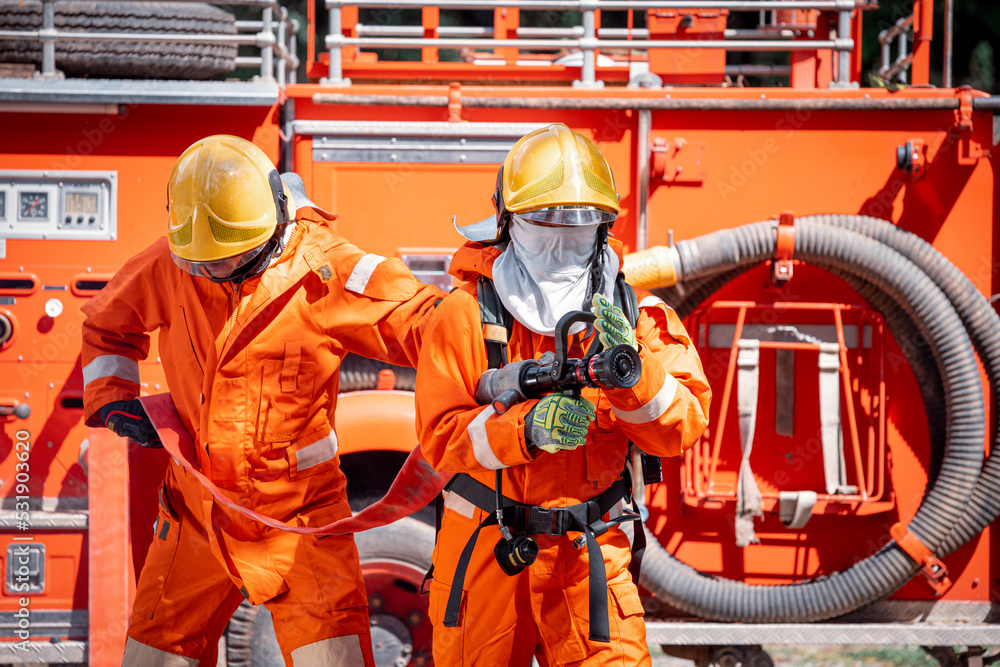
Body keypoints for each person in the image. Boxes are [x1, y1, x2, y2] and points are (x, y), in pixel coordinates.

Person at [81, 135, 444, 666]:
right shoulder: (174, 262)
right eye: (203, 266)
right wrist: (114, 398)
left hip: (299, 521)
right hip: (197, 515)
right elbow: (107, 325)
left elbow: (424, 321)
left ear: (275, 223)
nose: (213, 274)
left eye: (232, 262)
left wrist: (493, 338)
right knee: (154, 657)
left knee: (334, 658)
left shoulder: (326, 270)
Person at [415, 123, 712, 666]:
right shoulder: (462, 317)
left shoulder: (636, 318)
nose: (561, 233)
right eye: (543, 218)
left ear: (603, 225)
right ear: (506, 220)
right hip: (485, 556)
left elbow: (682, 427)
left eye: (579, 220)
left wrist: (633, 377)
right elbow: (439, 441)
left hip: (588, 560)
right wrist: (523, 430)